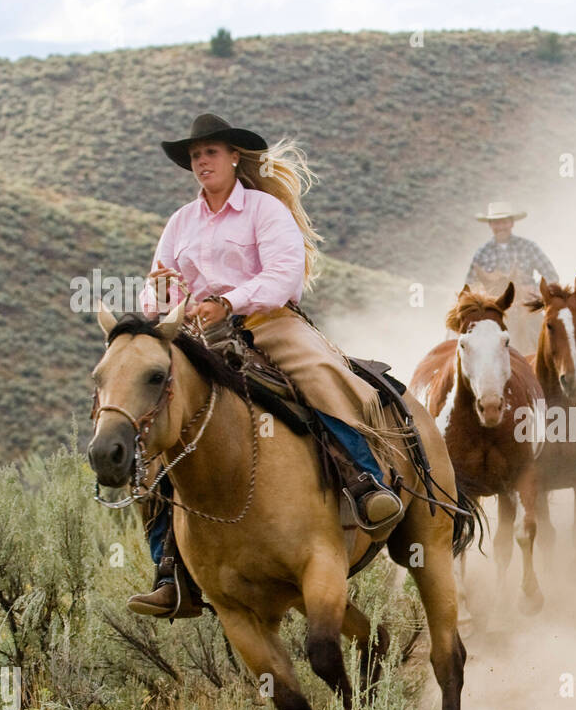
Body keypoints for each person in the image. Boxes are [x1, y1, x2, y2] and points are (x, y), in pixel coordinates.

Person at [128, 113, 403, 619]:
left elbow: (283, 275)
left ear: (235, 157)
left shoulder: (263, 210)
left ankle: (366, 481)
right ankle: (170, 570)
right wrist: (160, 296)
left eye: (211, 152)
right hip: (195, 338)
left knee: (320, 375)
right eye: (195, 156)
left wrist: (229, 302)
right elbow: (154, 290)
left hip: (267, 323)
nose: (202, 162)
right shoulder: (179, 222)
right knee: (157, 425)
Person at [464, 200, 559, 297]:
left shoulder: (528, 247)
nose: (501, 227)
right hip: (494, 304)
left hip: (527, 302)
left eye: (504, 222)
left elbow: (551, 275)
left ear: (512, 223)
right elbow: (470, 285)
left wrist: (535, 289)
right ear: (490, 224)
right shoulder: (482, 253)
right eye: (496, 223)